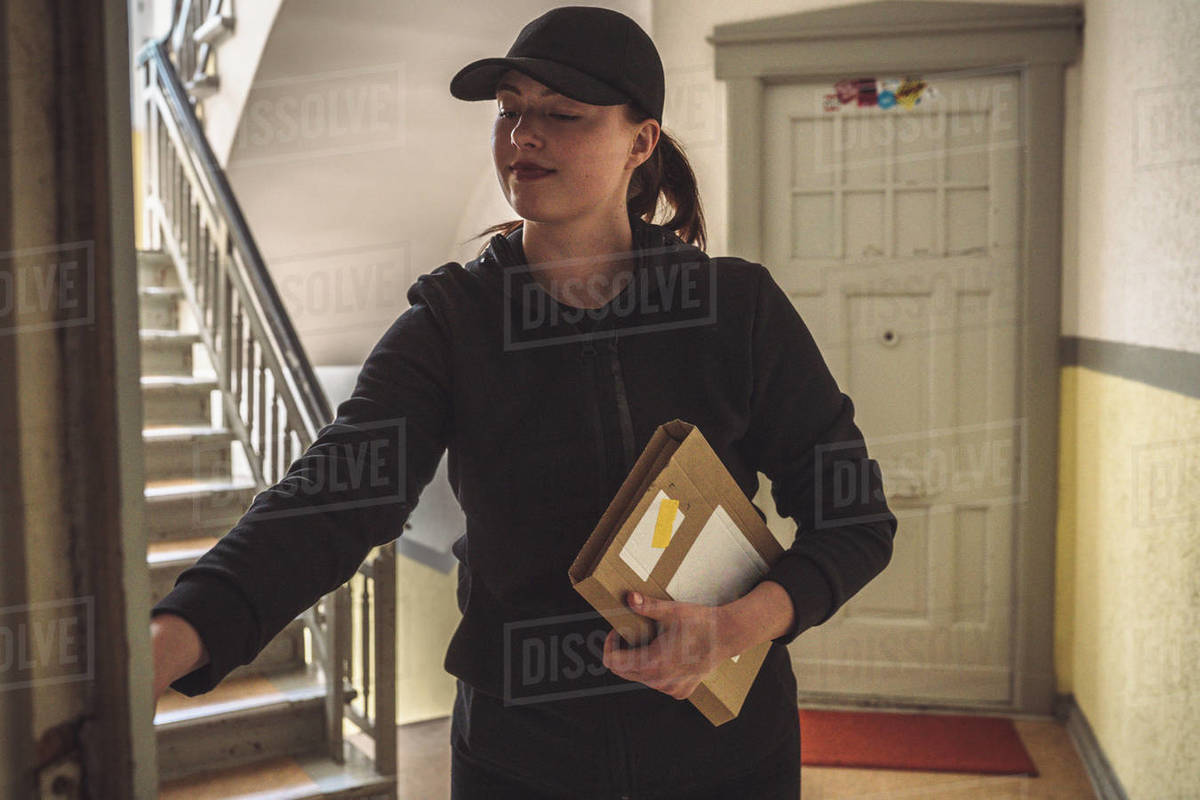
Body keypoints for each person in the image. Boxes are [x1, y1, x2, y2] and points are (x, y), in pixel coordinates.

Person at [150, 6, 898, 799]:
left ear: (640, 143)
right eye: (509, 110)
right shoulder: (452, 323)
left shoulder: (734, 308)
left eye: (561, 115)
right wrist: (170, 639)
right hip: (523, 762)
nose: (522, 137)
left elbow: (854, 519)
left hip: (728, 757)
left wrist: (737, 627)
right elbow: (334, 497)